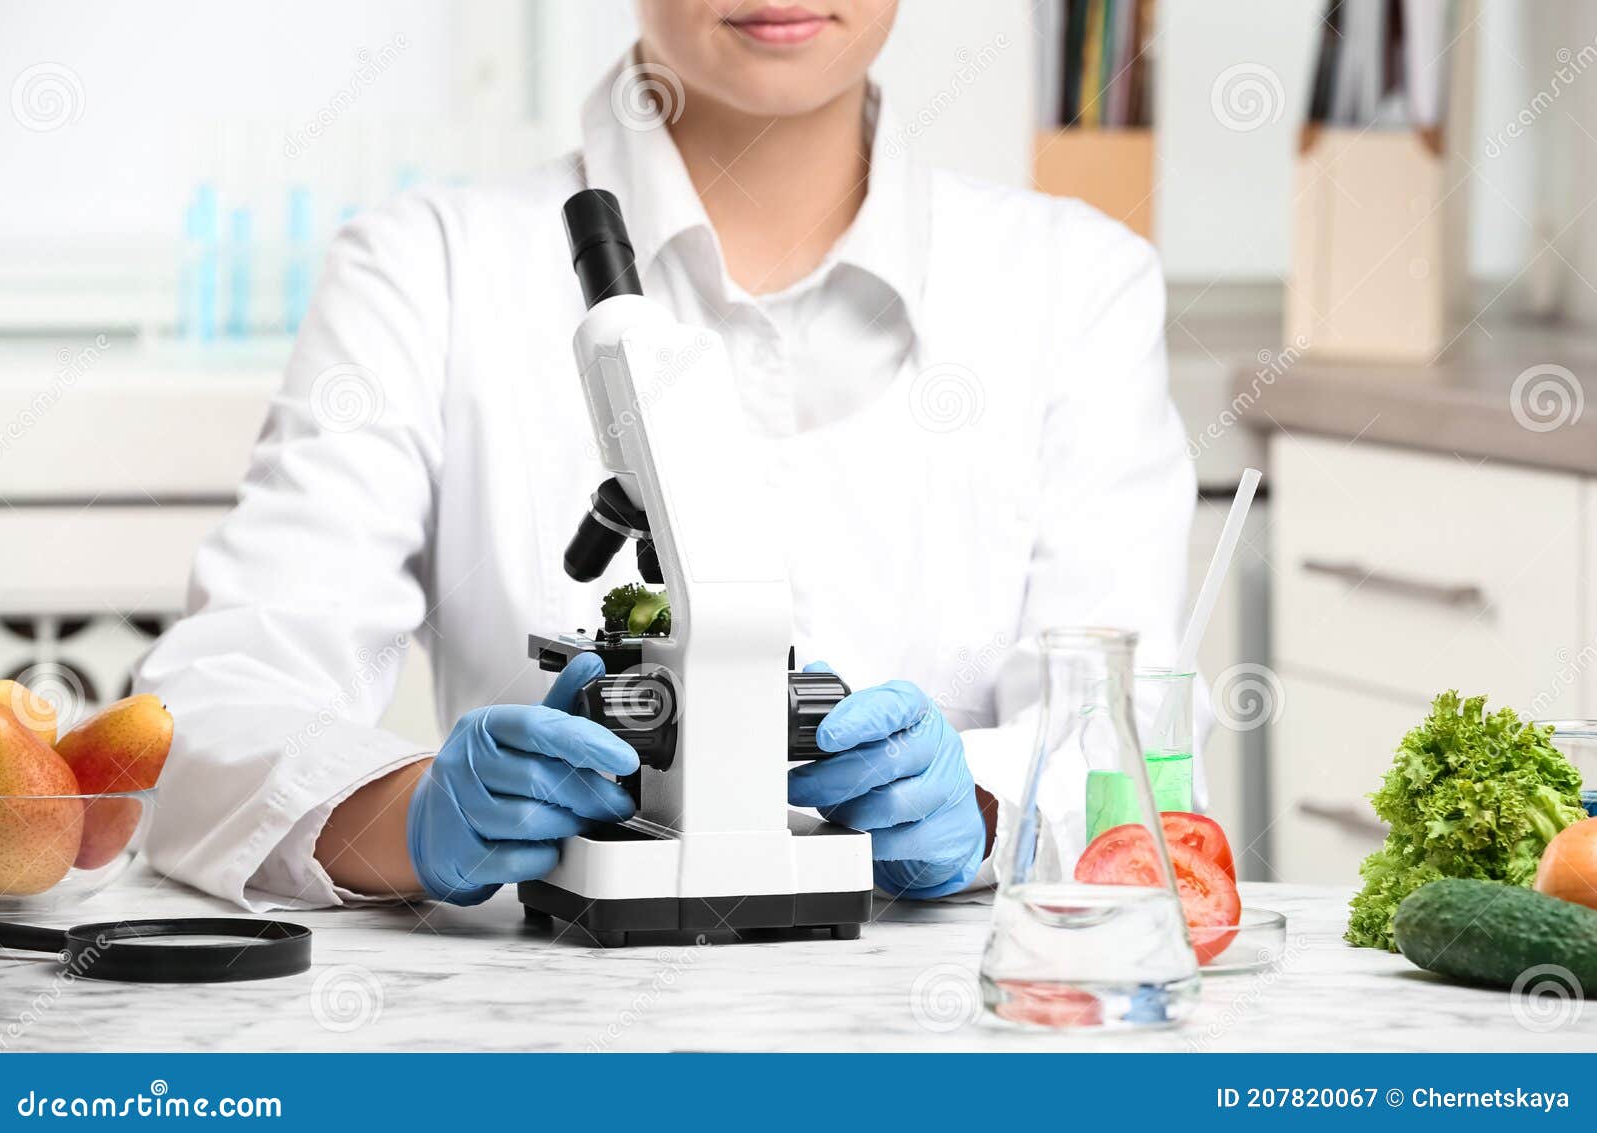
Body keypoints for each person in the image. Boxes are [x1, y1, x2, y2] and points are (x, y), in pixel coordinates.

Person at [139, 0, 1195, 911]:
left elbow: (1128, 736)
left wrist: (975, 802)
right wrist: (413, 815)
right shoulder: (429, 269)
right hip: (561, 1030)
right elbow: (216, 710)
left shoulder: (1075, 283)